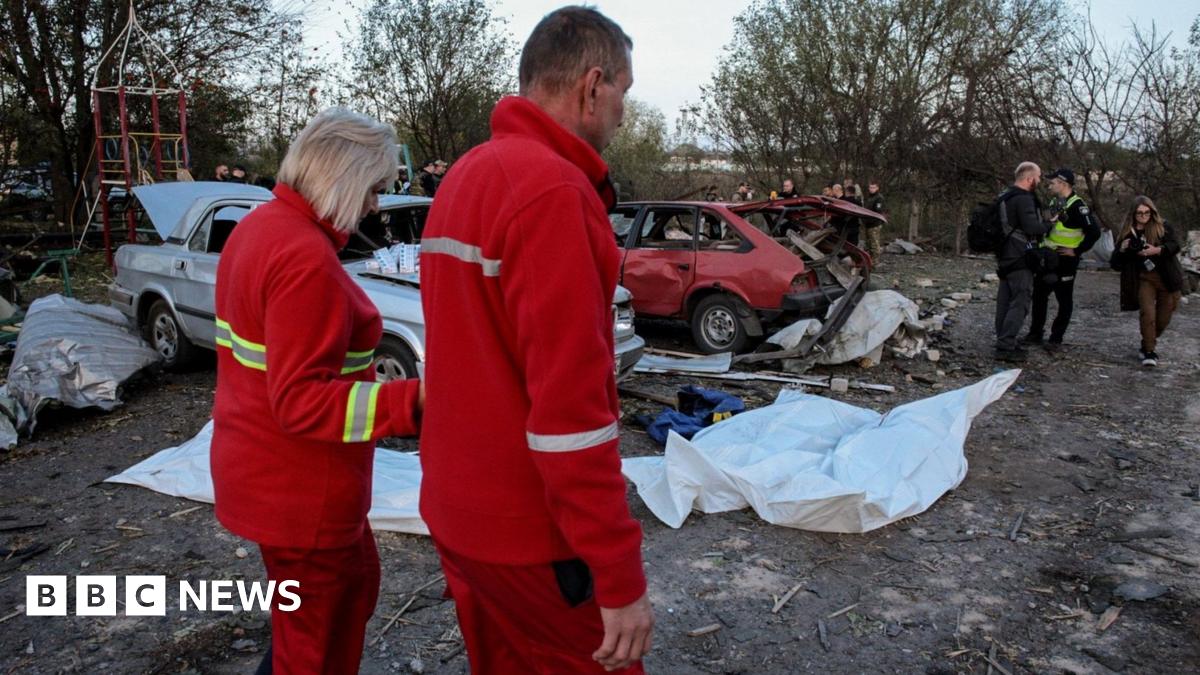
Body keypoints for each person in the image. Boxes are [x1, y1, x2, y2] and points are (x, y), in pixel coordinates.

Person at [418, 6, 653, 674]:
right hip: (530, 537)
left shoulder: (465, 176)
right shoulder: (552, 191)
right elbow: (571, 416)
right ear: (593, 85)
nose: (622, 117)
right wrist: (617, 573)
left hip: (459, 518)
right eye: (624, 97)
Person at [211, 107, 424, 673]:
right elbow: (301, 401)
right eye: (375, 189)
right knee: (317, 643)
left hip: (268, 479)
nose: (377, 206)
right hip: (303, 493)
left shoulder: (262, 227)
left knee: (336, 602)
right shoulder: (303, 257)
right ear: (346, 177)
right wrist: (415, 403)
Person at [1025, 168, 1101, 350]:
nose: (1049, 185)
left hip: (1066, 260)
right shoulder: (1055, 202)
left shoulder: (1078, 206)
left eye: (1052, 183)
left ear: (1063, 184)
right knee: (1039, 295)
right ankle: (1035, 333)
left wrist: (1077, 250)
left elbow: (1094, 232)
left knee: (1064, 299)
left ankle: (1056, 339)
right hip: (1048, 258)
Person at [1110, 196, 1184, 366]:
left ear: (1152, 212)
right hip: (1143, 279)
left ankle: (1147, 342)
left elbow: (1175, 245)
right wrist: (1122, 249)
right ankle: (1149, 351)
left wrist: (1157, 250)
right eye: (1139, 213)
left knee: (1164, 317)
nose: (1143, 216)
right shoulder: (1127, 233)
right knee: (1147, 313)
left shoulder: (1162, 227)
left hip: (1166, 278)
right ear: (1133, 214)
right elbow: (1114, 264)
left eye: (1147, 212)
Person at [993, 161, 1051, 362]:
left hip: (1004, 255)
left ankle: (1003, 338)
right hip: (1020, 256)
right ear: (1029, 178)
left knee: (1004, 300)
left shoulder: (1004, 196)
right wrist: (1048, 225)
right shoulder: (1024, 199)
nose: (1040, 180)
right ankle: (1006, 344)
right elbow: (1031, 227)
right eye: (1038, 177)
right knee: (1020, 300)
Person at [864, 181, 886, 263]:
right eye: (870, 187)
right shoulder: (870, 197)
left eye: (873, 187)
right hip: (868, 223)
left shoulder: (879, 198)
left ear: (877, 188)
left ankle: (875, 262)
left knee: (874, 244)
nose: (871, 189)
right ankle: (869, 261)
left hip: (875, 224)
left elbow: (878, 210)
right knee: (868, 244)